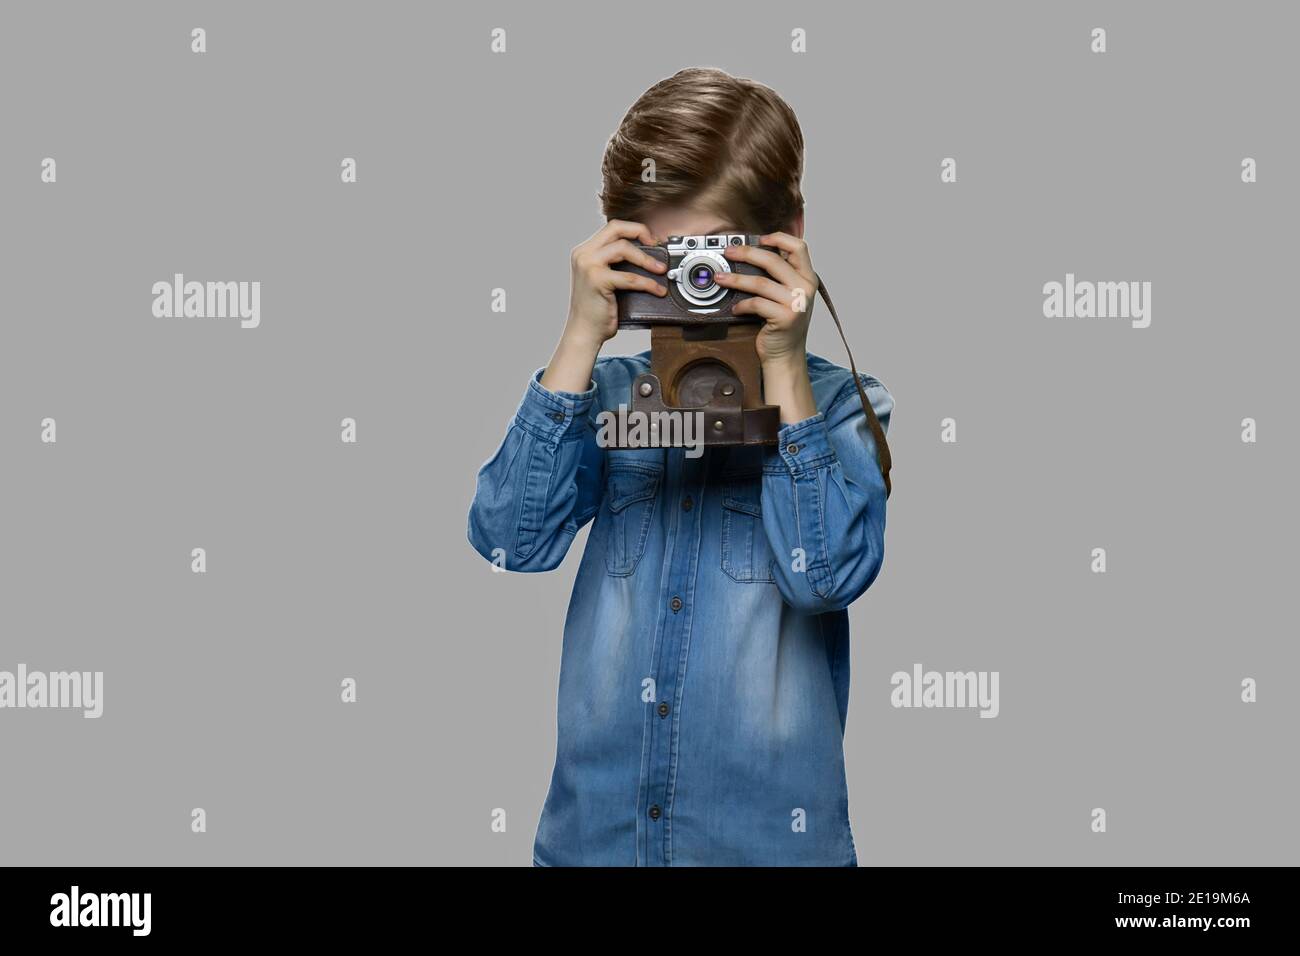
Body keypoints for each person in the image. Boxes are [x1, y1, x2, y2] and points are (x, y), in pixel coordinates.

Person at [467, 67, 893, 866]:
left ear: (787, 237)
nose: (697, 289)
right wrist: (579, 339)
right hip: (596, 844)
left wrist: (786, 372)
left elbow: (828, 577)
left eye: (716, 260)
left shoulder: (837, 409)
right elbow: (508, 543)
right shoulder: (606, 393)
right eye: (672, 264)